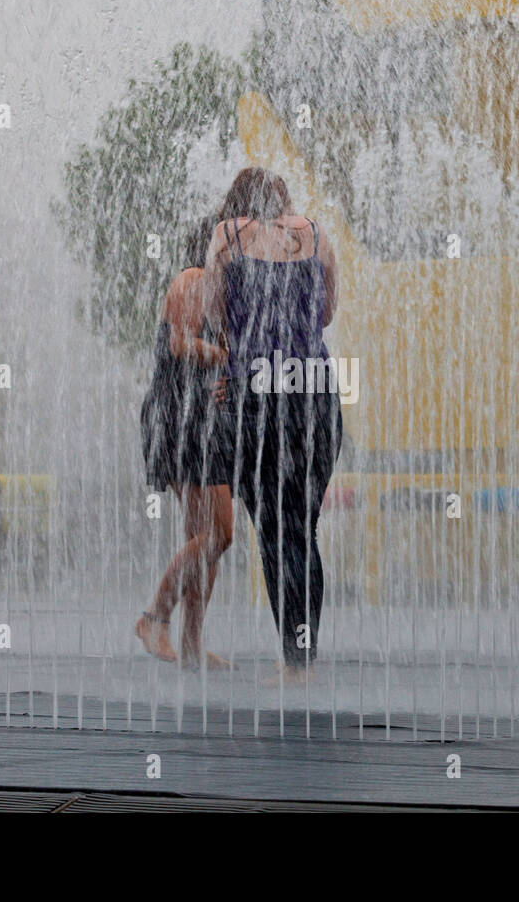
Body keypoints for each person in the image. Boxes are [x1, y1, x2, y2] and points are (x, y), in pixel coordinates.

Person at [203, 169, 342, 686]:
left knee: (272, 530)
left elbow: (216, 315)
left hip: (256, 396)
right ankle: (303, 656)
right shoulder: (316, 234)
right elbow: (326, 313)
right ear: (282, 199)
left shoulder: (226, 237)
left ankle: (293, 660)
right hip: (315, 394)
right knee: (302, 527)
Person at [137, 214, 234, 670]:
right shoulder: (191, 279)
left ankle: (192, 644)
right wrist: (225, 355)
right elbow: (179, 344)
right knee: (216, 534)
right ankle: (154, 616)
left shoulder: (218, 297)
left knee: (209, 536)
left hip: (202, 420)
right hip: (177, 418)